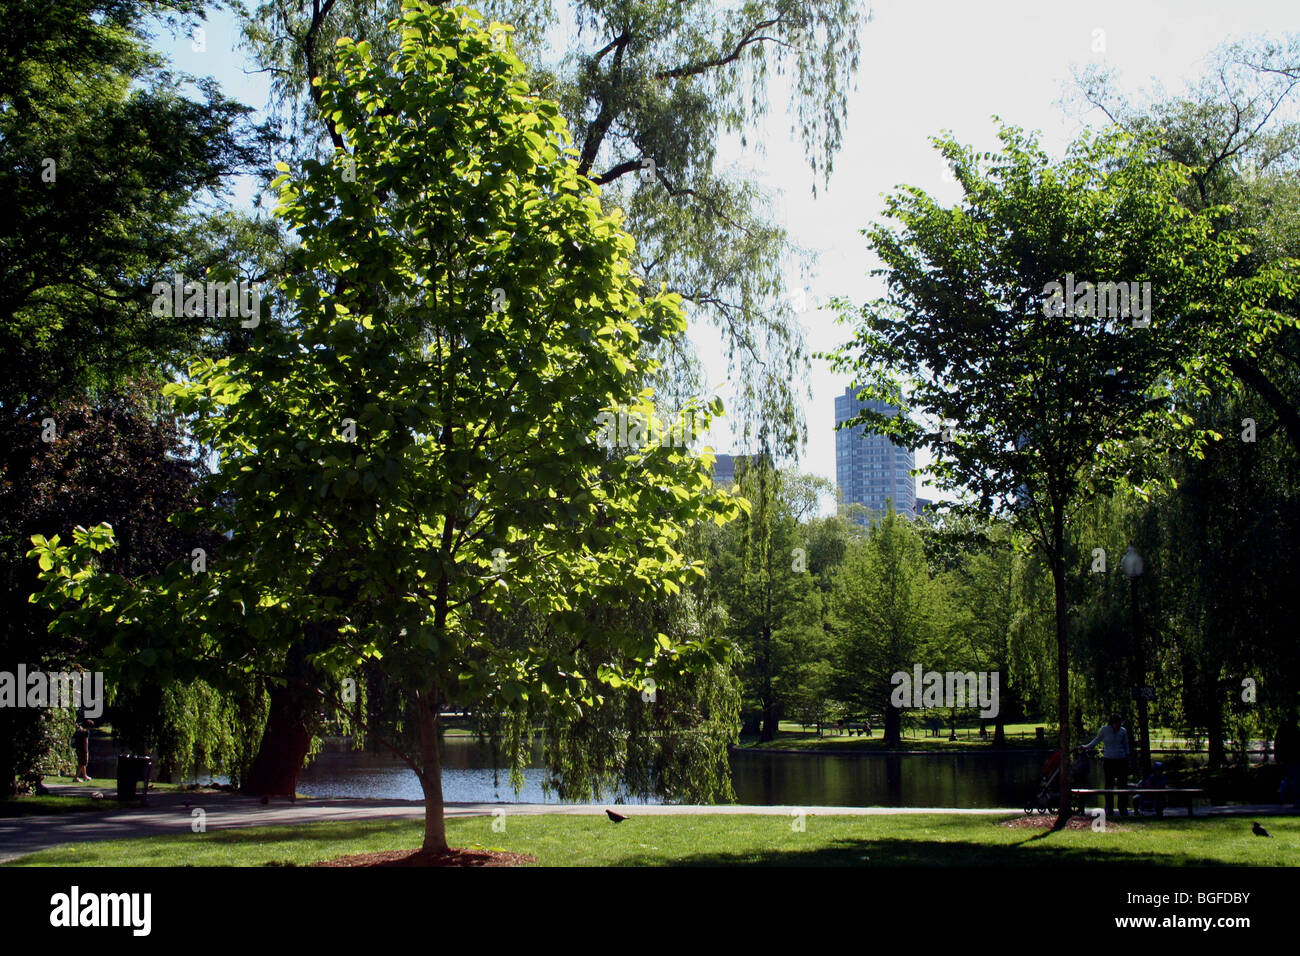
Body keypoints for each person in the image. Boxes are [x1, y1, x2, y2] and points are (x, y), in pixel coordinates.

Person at [1083, 713, 1132, 817]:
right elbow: (1096, 740)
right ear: (1112, 723)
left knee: (1122, 784)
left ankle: (1122, 807)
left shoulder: (1123, 731)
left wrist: (1128, 759)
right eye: (1116, 723)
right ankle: (1109, 807)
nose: (1118, 726)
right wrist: (1087, 747)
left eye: (1120, 723)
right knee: (1109, 783)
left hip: (1121, 759)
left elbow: (1126, 745)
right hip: (1109, 760)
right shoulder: (1104, 730)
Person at [1275, 711, 1299, 808]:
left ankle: (1281, 794)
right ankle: (1295, 800)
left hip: (1287, 758)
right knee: (1294, 779)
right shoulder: (1293, 730)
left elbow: (1278, 744)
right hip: (1293, 757)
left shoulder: (1282, 729)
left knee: (1289, 778)